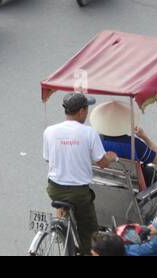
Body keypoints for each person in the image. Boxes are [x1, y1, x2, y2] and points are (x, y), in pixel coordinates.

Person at [42, 93, 116, 257]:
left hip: (55, 189)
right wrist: (112, 157)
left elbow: (47, 158)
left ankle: (60, 225)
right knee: (89, 232)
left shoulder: (50, 131)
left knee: (64, 200)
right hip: (79, 193)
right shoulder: (89, 133)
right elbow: (102, 163)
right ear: (82, 111)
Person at [88, 100, 157, 170]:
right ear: (124, 123)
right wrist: (144, 137)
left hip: (104, 181)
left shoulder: (94, 141)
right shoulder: (134, 144)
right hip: (134, 185)